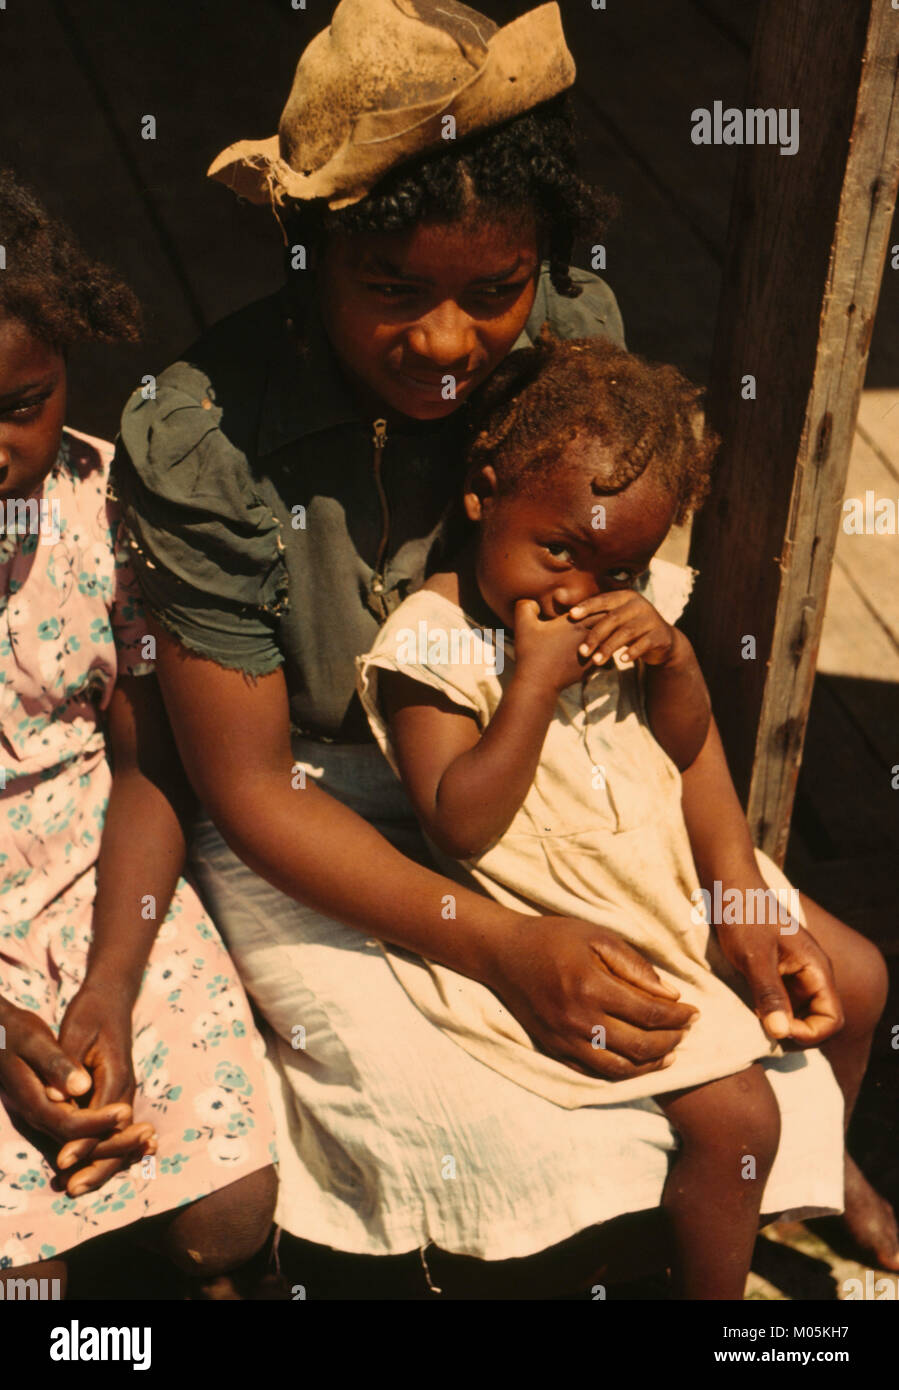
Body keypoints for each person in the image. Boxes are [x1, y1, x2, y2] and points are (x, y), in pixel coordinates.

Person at [110, 0, 898, 1292]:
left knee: (812, 977)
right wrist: (492, 945)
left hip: (565, 783)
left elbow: (643, 690)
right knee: (487, 1128)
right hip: (332, 827)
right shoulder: (212, 437)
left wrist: (730, 883)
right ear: (310, 254)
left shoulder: (565, 351)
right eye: (390, 292)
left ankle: (798, 1174)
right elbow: (248, 789)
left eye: (492, 290)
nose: (443, 343)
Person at [356, 328, 894, 1298]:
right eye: (556, 550)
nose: (579, 591)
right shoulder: (431, 642)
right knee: (735, 1118)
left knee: (856, 976)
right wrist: (528, 687)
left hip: (667, 866)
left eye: (617, 568)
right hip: (564, 905)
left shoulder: (625, 599)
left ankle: (824, 1168)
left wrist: (673, 661)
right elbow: (456, 820)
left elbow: (685, 748)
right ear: (483, 495)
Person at [0, 173, 277, 1296]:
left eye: (23, 402)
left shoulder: (105, 511)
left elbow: (149, 763)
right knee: (32, 1274)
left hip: (97, 877)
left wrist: (111, 981)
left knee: (228, 1217)